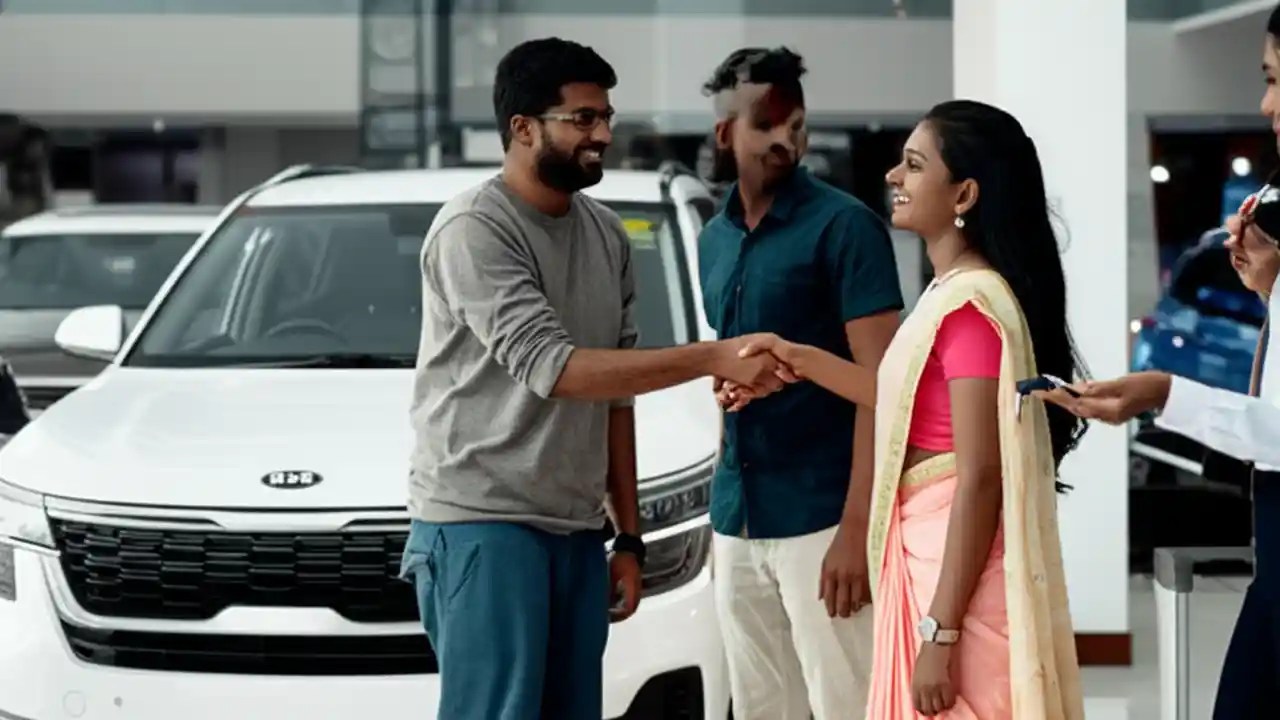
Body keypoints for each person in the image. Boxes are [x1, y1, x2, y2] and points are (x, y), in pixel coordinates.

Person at [400, 37, 785, 720]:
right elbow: (558, 370)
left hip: (576, 535)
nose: (603, 133)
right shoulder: (474, 229)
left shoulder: (607, 235)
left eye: (605, 116)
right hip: (485, 527)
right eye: (582, 118)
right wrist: (710, 356)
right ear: (522, 128)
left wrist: (627, 537)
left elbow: (614, 397)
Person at [736, 99, 1088, 718]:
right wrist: (795, 357)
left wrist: (940, 634)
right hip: (929, 555)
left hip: (955, 585)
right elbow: (901, 402)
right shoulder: (946, 294)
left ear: (965, 195)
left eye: (914, 165)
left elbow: (978, 476)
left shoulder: (971, 307)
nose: (894, 177)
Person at [696, 47, 903, 720]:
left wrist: (855, 531)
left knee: (845, 706)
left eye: (798, 124)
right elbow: (744, 365)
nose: (787, 139)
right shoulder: (713, 239)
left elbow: (886, 386)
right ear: (727, 132)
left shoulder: (846, 228)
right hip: (736, 516)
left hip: (822, 515)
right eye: (767, 122)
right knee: (760, 710)